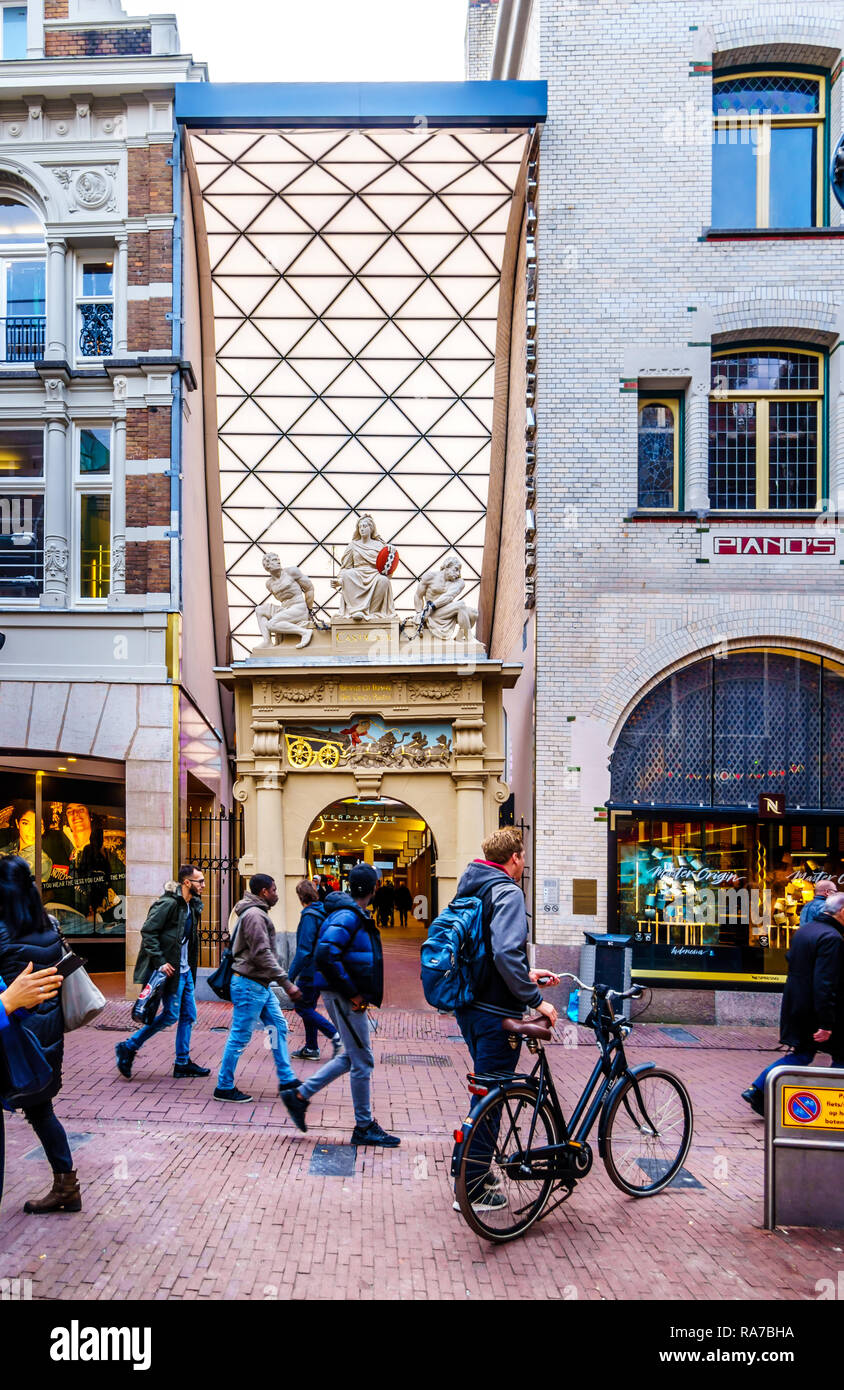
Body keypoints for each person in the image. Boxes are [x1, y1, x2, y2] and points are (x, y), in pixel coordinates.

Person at [452, 827, 560, 1211]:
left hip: (470, 1006)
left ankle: (469, 1174)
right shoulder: (508, 891)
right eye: (523, 856)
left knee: (485, 1091)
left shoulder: (471, 886)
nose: (524, 862)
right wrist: (537, 1000)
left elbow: (484, 952)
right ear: (514, 857)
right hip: (497, 1013)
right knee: (493, 1098)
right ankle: (476, 1188)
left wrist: (525, 973)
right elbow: (502, 953)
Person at [281, 862, 399, 1146]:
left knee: (352, 1055)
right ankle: (363, 1125)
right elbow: (326, 953)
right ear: (373, 888)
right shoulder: (348, 916)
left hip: (344, 994)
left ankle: (299, 1095)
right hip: (344, 996)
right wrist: (353, 993)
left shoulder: (349, 913)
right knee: (363, 1060)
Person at [0, 856, 80, 1214]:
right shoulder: (47, 925)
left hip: (14, 1041)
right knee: (42, 1110)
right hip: (46, 1037)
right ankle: (67, 1184)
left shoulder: (3, 933)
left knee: (39, 1110)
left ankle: (67, 1186)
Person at [742, 890, 844, 1116]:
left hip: (796, 1004)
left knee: (803, 1053)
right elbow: (825, 982)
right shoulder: (833, 938)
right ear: (842, 912)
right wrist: (827, 1023)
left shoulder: (805, 930)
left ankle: (757, 1088)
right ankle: (834, 1106)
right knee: (840, 1056)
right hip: (817, 1009)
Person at [215, 874, 304, 1102]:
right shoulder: (255, 915)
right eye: (274, 890)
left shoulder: (256, 912)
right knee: (240, 1036)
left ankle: (286, 1077)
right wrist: (286, 983)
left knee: (278, 1027)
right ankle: (224, 1086)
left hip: (258, 985)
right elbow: (261, 953)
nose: (276, 894)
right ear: (264, 891)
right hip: (249, 984)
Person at [115, 865, 209, 1081]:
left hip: (184, 971)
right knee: (171, 1016)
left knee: (188, 1015)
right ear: (187, 883)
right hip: (171, 971)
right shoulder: (168, 904)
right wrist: (160, 961)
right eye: (199, 881)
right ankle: (128, 1046)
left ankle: (182, 1063)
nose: (203, 885)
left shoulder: (190, 906)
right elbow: (148, 931)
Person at [288, 879, 341, 1061]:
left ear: (301, 897)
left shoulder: (309, 916)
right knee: (308, 1007)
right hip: (321, 969)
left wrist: (289, 976)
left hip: (310, 971)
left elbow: (304, 950)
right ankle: (311, 1047)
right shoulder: (323, 912)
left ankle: (334, 1034)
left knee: (302, 1008)